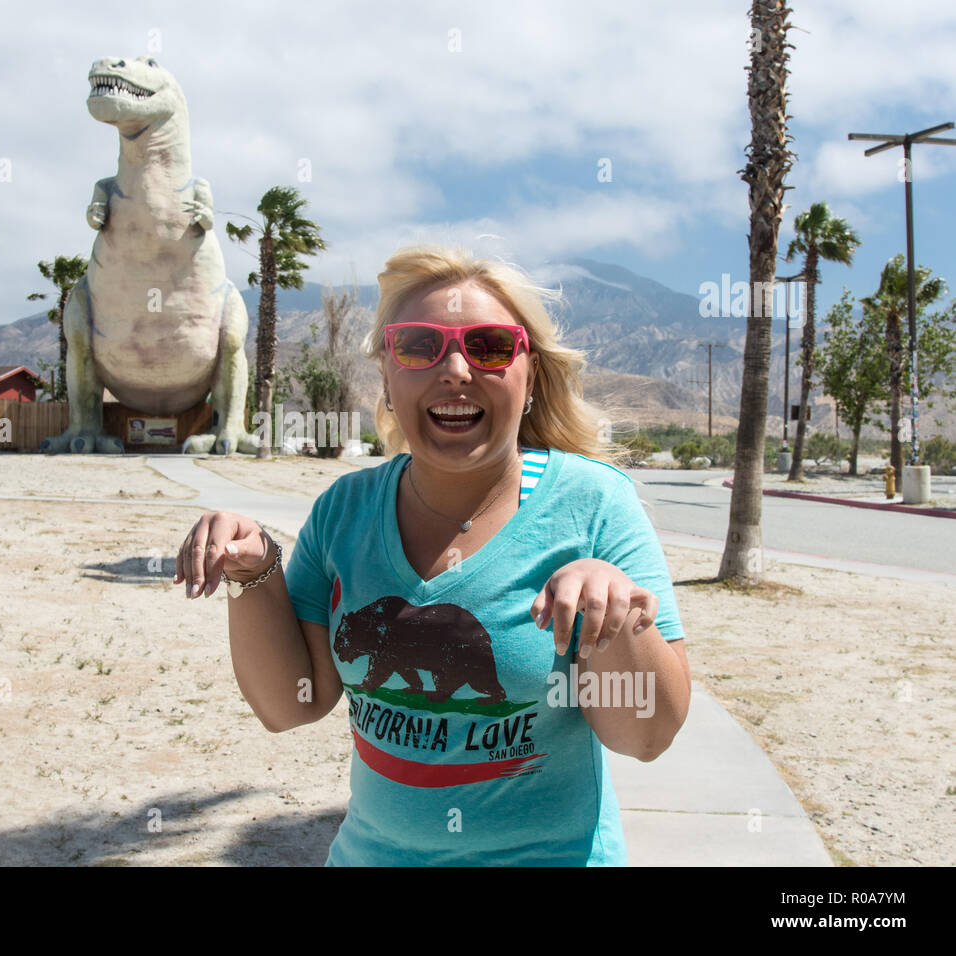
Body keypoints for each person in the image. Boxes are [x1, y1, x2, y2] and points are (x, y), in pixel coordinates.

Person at [174, 244, 690, 865]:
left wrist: (612, 610)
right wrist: (252, 571)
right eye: (419, 345)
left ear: (529, 378)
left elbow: (646, 735)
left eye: (491, 346)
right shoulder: (345, 511)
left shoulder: (593, 503)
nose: (456, 369)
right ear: (388, 379)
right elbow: (291, 704)